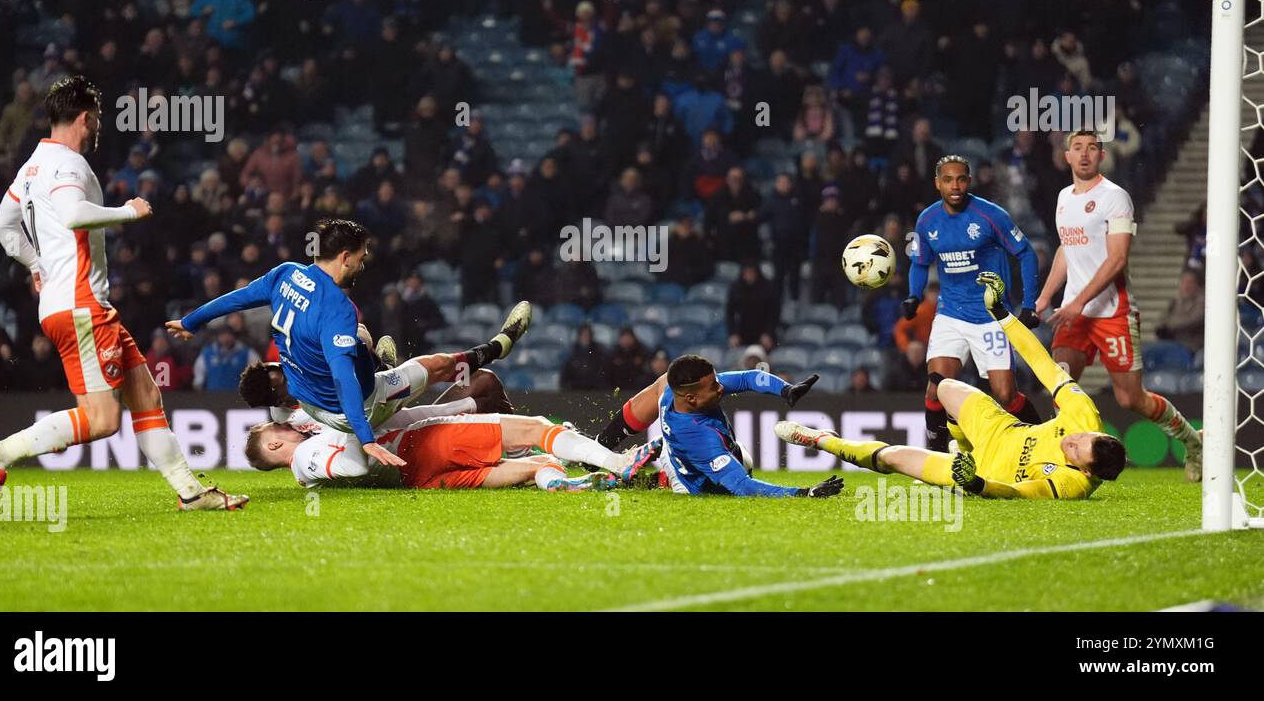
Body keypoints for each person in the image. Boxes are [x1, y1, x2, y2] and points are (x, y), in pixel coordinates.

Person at [0, 76, 244, 511]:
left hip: (78, 304)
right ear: (86, 118)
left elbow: (1, 226)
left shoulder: (31, 167)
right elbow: (72, 214)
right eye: (98, 118)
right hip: (81, 306)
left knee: (145, 394)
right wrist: (128, 211)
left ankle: (191, 492)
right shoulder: (69, 164)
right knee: (102, 420)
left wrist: (35, 265)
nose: (99, 126)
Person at [168, 218, 532, 467]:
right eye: (361, 256)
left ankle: (378, 364)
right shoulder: (336, 308)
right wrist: (365, 437)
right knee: (431, 365)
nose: (364, 262)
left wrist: (191, 321)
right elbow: (343, 377)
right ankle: (496, 347)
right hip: (356, 407)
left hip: (314, 403)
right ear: (345, 257)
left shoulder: (285, 275)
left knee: (355, 345)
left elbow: (239, 298)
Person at [778, 273, 1127, 500]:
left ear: (1085, 470)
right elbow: (1041, 363)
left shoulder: (1070, 485)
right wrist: (1002, 314)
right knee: (944, 387)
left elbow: (1015, 493)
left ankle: (819, 439)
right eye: (1083, 437)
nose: (1073, 439)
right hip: (1001, 430)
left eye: (1077, 449)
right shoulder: (1084, 415)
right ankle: (959, 446)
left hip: (982, 473)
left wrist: (974, 482)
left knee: (892, 457)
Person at [1035, 130, 1201, 479]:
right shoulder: (1064, 198)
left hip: (1112, 312)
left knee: (1131, 398)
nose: (1084, 154)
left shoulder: (1115, 197)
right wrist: (1046, 295)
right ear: (1067, 156)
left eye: (1091, 148)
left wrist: (1079, 301)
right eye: (1077, 148)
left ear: (1101, 155)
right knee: (1060, 386)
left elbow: (1118, 258)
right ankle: (1063, 464)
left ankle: (1193, 441)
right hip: (1074, 314)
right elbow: (1066, 249)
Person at [901, 154, 1043, 452]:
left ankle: (1041, 443)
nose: (955, 186)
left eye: (961, 179)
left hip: (991, 315)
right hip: (951, 313)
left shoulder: (991, 215)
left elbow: (1026, 253)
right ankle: (937, 456)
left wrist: (1029, 303)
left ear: (969, 181)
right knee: (937, 387)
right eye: (948, 180)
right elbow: (919, 262)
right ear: (937, 183)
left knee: (1006, 394)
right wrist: (914, 295)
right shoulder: (927, 220)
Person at [248, 401, 662, 492]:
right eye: (277, 428)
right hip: (421, 446)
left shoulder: (305, 475)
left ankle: (561, 482)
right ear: (274, 442)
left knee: (539, 461)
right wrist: (354, 425)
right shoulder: (308, 455)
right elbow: (353, 466)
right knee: (535, 428)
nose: (286, 425)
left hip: (418, 480)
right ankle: (618, 463)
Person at [594, 355, 841, 497]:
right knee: (743, 465)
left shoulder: (674, 390)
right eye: (714, 386)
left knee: (661, 384)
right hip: (693, 483)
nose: (721, 387)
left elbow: (748, 378)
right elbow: (742, 486)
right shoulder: (701, 438)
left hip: (679, 452)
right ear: (691, 398)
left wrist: (786, 390)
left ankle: (603, 446)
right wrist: (804, 492)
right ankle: (654, 478)